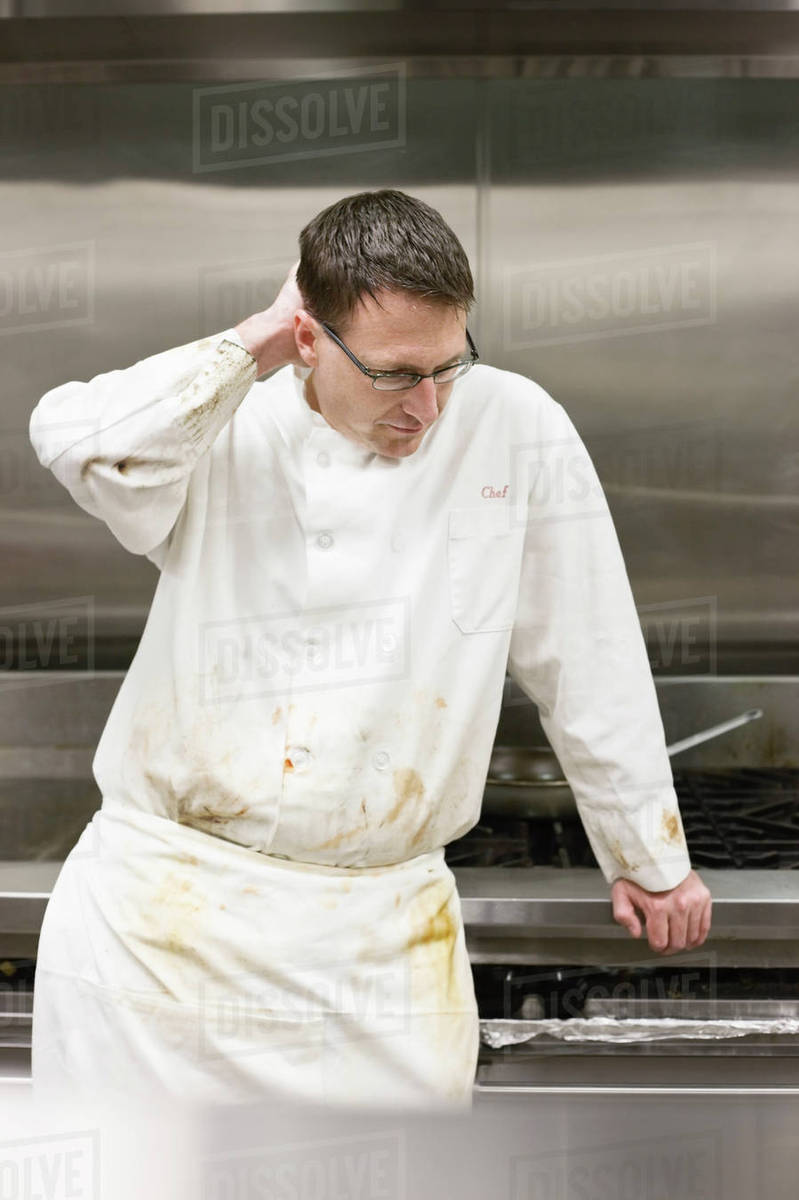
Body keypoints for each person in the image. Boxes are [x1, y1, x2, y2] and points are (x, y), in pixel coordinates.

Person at [28, 188, 711, 1110]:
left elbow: (589, 652)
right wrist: (256, 340)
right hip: (165, 935)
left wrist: (648, 854)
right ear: (310, 339)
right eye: (395, 374)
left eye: (449, 366)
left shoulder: (516, 426)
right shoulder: (221, 426)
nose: (426, 407)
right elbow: (76, 443)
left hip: (383, 947)